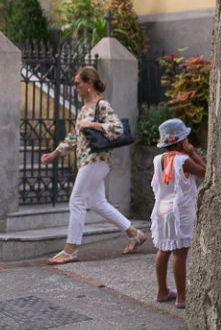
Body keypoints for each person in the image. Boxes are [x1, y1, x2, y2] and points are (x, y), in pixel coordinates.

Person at [41, 66, 147, 264]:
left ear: (89, 84)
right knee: (97, 203)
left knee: (77, 199)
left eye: (77, 83)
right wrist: (55, 153)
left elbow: (117, 129)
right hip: (86, 160)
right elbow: (74, 137)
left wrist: (91, 125)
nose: (75, 88)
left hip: (97, 159)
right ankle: (135, 233)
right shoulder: (83, 110)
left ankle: (71, 249)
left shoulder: (102, 105)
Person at [150, 118, 206, 309]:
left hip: (162, 209)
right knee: (180, 253)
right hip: (180, 211)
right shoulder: (184, 160)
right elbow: (206, 172)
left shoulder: (158, 159)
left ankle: (162, 290)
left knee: (163, 250)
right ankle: (181, 296)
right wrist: (192, 152)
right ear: (182, 141)